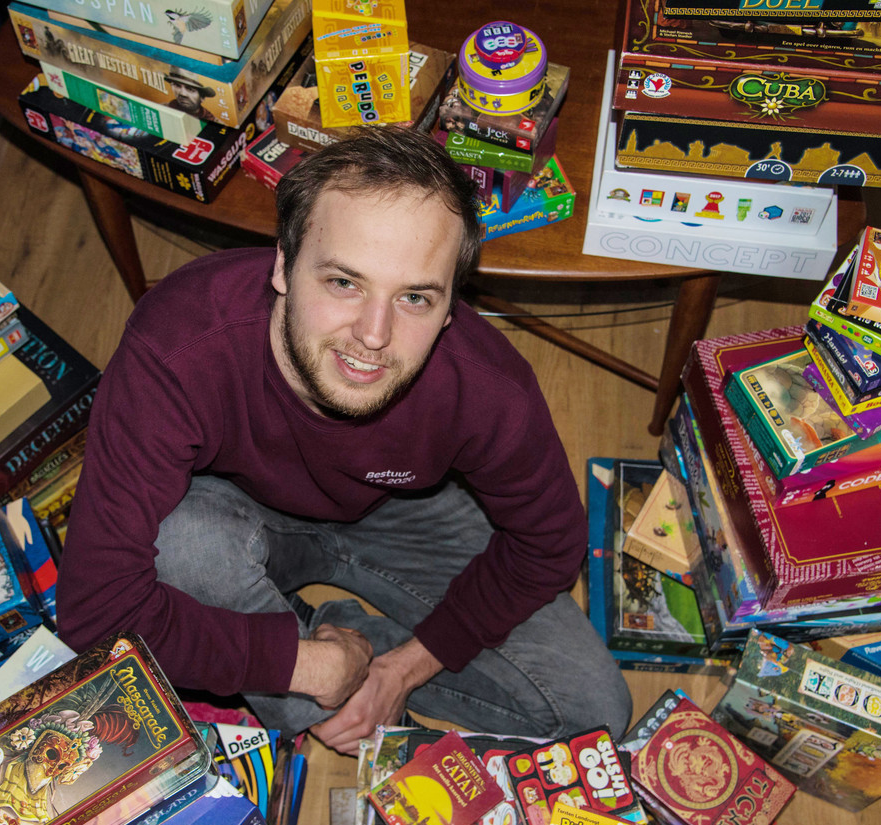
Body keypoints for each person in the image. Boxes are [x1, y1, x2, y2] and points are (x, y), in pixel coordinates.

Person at [57, 127, 632, 754]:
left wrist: (404, 666)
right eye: (343, 283)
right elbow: (95, 612)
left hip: (403, 511)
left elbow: (551, 544)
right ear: (282, 265)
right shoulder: (179, 347)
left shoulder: (486, 389)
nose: (374, 334)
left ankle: (333, 647)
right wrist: (304, 668)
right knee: (182, 542)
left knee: (594, 716)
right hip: (235, 510)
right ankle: (313, 661)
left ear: (449, 309)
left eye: (414, 297)